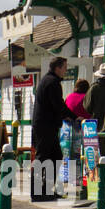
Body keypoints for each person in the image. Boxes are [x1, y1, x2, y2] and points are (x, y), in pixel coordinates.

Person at [30, 57, 70, 201]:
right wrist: (72, 116)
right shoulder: (52, 82)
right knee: (43, 158)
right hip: (45, 126)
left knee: (55, 157)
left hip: (46, 125)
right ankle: (37, 192)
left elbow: (56, 106)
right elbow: (58, 105)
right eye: (64, 67)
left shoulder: (48, 80)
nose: (66, 70)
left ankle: (46, 189)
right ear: (57, 68)